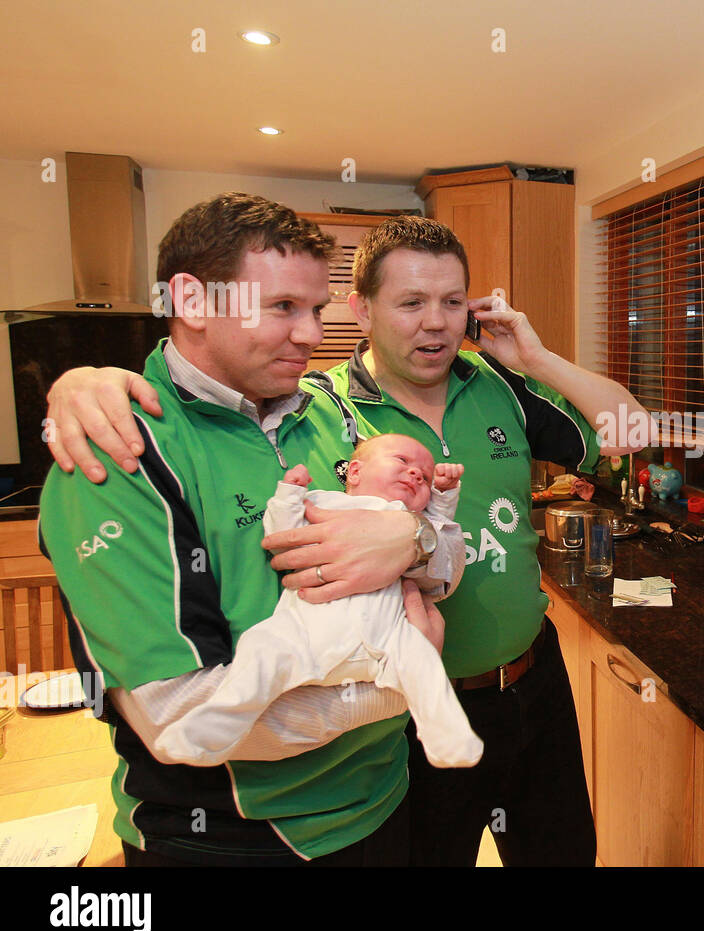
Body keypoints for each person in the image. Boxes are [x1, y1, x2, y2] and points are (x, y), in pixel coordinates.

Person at [45, 214, 652, 866]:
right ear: (363, 311)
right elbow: (176, 712)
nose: (437, 321)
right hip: (357, 757)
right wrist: (83, 383)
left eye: (452, 302)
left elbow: (632, 433)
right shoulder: (327, 403)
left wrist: (415, 537)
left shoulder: (484, 388)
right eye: (412, 302)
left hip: (518, 688)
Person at [38, 193, 445, 866]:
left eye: (316, 309)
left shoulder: (325, 410)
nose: (312, 334)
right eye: (283, 307)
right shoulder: (115, 454)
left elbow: (428, 550)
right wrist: (399, 683)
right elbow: (184, 718)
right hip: (234, 842)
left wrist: (416, 539)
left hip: (385, 801)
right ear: (193, 302)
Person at [153, 435, 482, 771]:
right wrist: (289, 496)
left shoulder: (408, 515)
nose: (415, 475)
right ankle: (219, 723)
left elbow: (441, 529)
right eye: (403, 462)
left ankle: (445, 734)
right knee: (261, 648)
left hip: (386, 639)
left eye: (424, 477)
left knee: (422, 662)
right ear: (354, 472)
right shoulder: (324, 502)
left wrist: (444, 491)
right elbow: (284, 539)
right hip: (308, 636)